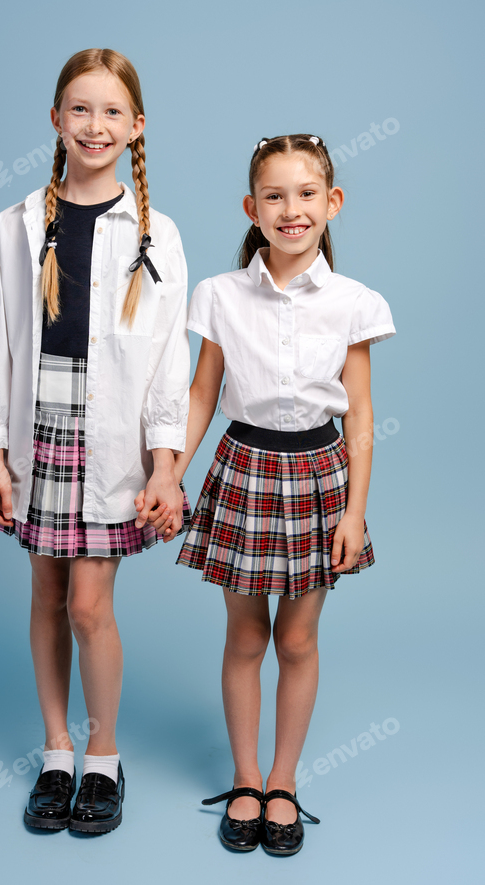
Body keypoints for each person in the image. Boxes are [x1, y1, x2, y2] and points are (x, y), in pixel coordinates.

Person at [136, 133, 396, 855]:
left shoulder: (354, 302)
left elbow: (361, 415)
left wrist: (355, 511)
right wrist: (170, 472)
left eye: (306, 194)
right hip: (243, 470)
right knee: (247, 636)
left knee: (298, 638)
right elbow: (201, 392)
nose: (291, 209)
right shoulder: (220, 295)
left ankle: (283, 781)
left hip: (319, 476)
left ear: (332, 202)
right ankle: (246, 778)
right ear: (252, 208)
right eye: (274, 196)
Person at [0, 48, 191, 834]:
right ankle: (55, 750)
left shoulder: (159, 232)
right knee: (46, 594)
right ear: (56, 119)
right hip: (39, 426)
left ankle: (103, 756)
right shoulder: (18, 222)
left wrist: (166, 464)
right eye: (81, 108)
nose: (96, 125)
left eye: (112, 111)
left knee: (90, 605)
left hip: (111, 436)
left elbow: (168, 360)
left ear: (136, 126)